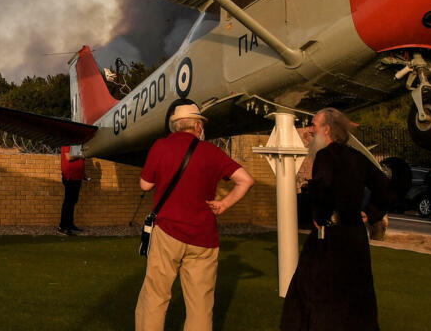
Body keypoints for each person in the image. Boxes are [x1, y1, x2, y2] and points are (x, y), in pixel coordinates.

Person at [136, 103, 253, 331]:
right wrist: (224, 204)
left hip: (167, 232)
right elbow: (246, 180)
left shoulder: (160, 146)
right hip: (203, 237)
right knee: (200, 305)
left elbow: (145, 184)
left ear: (175, 126)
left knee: (155, 296)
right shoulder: (212, 152)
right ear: (198, 126)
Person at [281, 108, 389, 331]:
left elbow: (325, 188)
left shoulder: (325, 156)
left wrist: (315, 212)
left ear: (327, 130)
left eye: (314, 125)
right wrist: (372, 211)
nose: (311, 130)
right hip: (355, 236)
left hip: (330, 235)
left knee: (315, 289)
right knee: (355, 292)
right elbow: (384, 185)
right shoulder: (357, 157)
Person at [58, 145, 86, 235]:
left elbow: (80, 160)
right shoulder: (67, 142)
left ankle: (70, 224)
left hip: (77, 176)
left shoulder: (77, 144)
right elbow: (69, 157)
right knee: (68, 202)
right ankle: (62, 227)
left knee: (73, 201)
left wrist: (83, 174)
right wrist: (82, 153)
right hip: (70, 176)